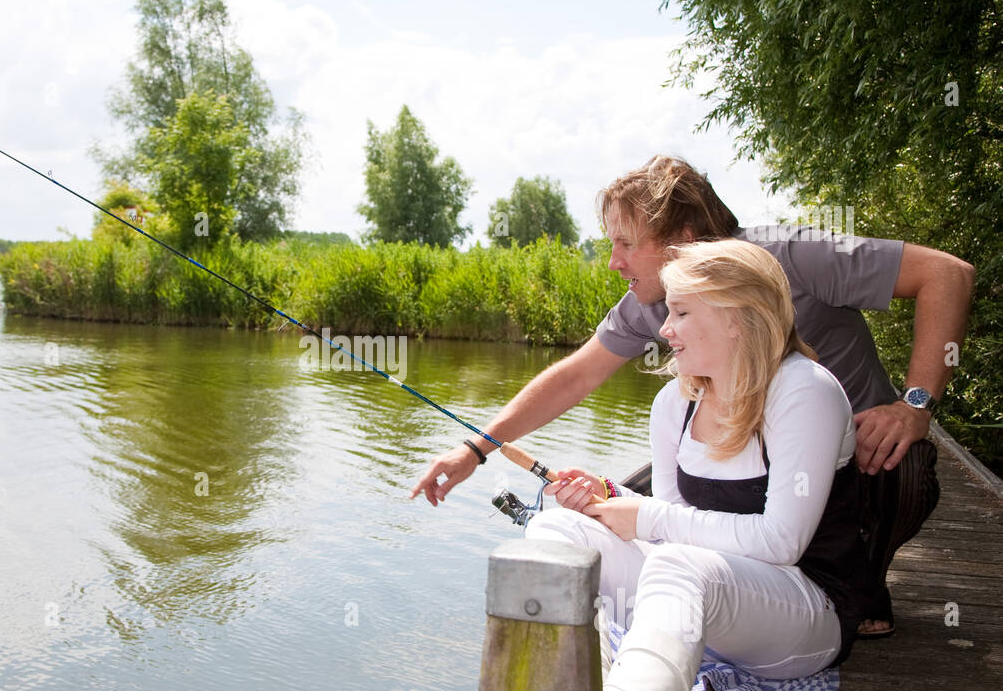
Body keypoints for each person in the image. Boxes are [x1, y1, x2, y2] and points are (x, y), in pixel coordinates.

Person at [410, 156, 975, 639]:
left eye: (627, 243)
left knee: (888, 479)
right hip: (738, 478)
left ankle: (860, 591)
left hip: (863, 469)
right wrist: (474, 450)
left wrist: (914, 405)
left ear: (681, 240)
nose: (614, 261)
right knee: (615, 510)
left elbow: (947, 275)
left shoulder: (797, 255)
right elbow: (575, 377)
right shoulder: (652, 301)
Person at [526, 239, 870, 691]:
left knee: (683, 563)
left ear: (740, 317)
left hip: (807, 612)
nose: (665, 329)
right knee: (556, 529)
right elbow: (669, 529)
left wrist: (646, 517)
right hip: (704, 599)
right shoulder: (673, 405)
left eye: (682, 312)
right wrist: (611, 504)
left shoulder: (804, 389)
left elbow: (782, 543)